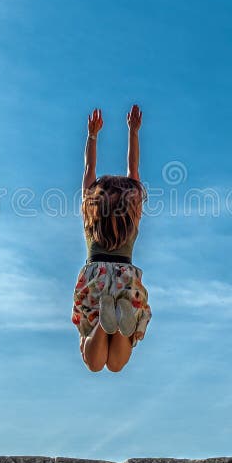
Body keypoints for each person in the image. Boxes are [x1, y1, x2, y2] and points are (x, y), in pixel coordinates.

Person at [72, 104, 152, 372]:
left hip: (97, 275)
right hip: (125, 279)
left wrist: (92, 136)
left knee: (92, 361)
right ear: (131, 199)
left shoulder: (90, 215)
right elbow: (134, 172)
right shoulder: (132, 213)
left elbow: (87, 171)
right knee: (117, 363)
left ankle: (101, 322)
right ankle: (116, 315)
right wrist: (133, 132)